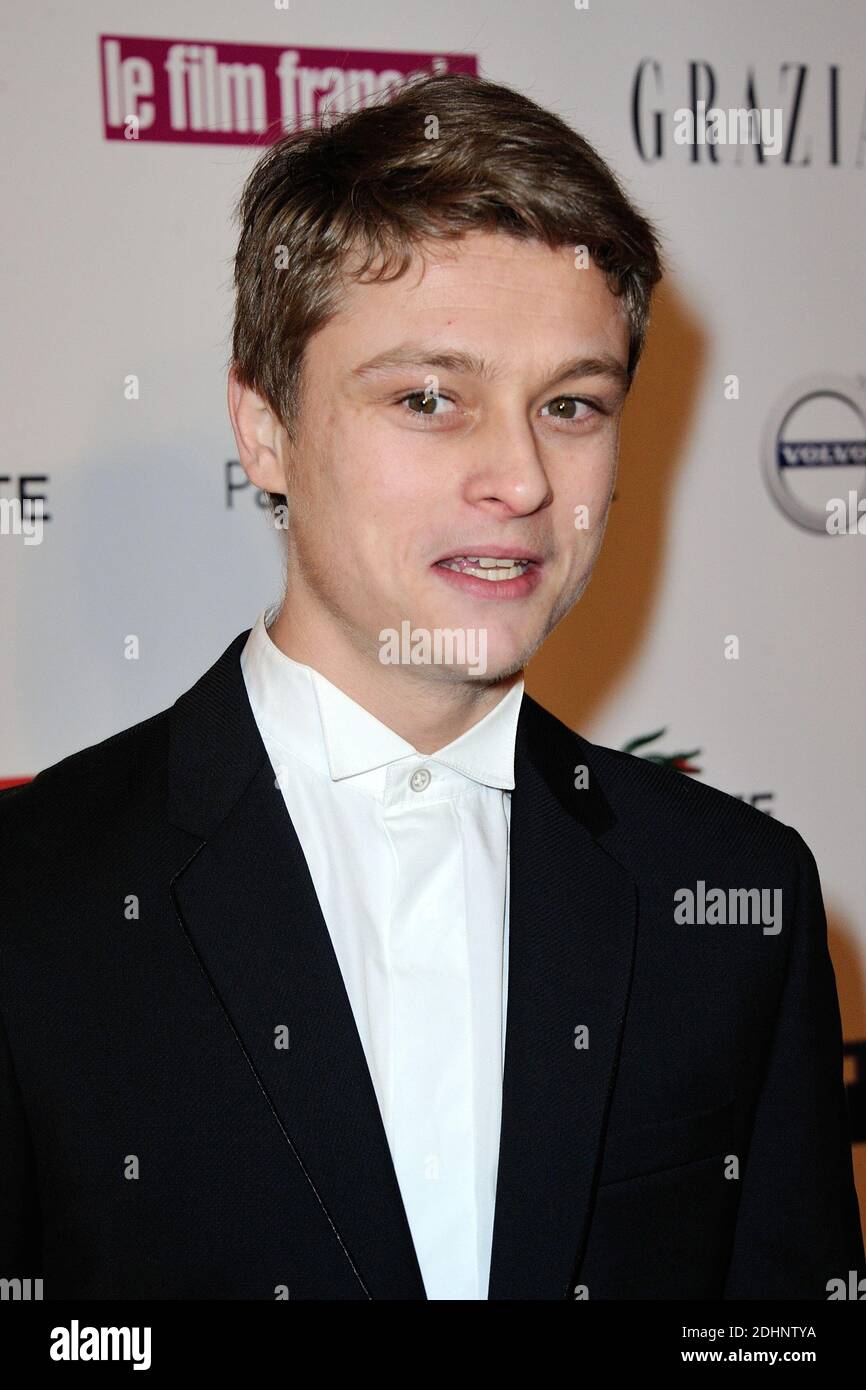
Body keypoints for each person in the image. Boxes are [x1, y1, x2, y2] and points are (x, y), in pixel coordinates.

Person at [0, 72, 861, 1301]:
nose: (517, 475)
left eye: (568, 403)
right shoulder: (33, 898)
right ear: (264, 425)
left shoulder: (733, 896)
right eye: (427, 397)